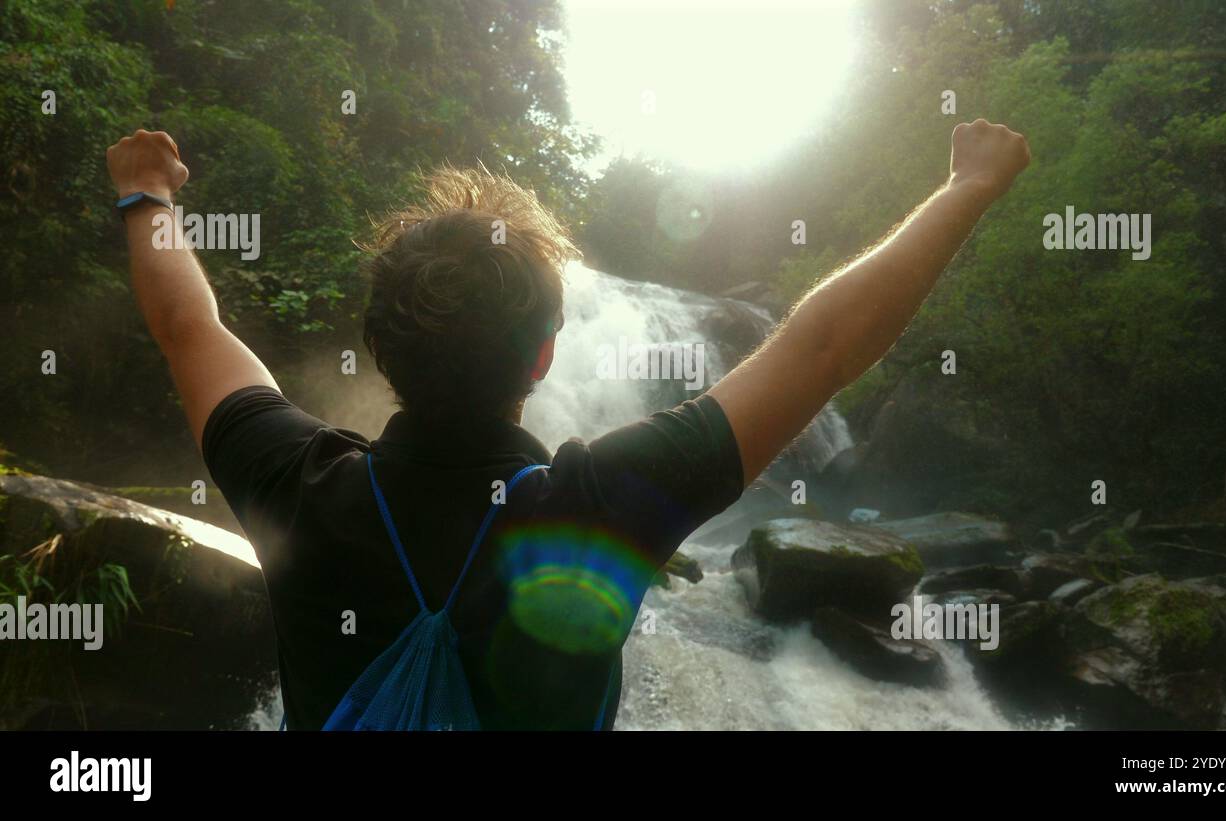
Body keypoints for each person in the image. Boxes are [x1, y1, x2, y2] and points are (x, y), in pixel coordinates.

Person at [105, 118, 1030, 729]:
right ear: (545, 356)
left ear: (378, 345)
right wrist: (967, 188)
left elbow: (190, 328)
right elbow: (821, 349)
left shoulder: (294, 484)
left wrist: (148, 194)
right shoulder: (601, 505)